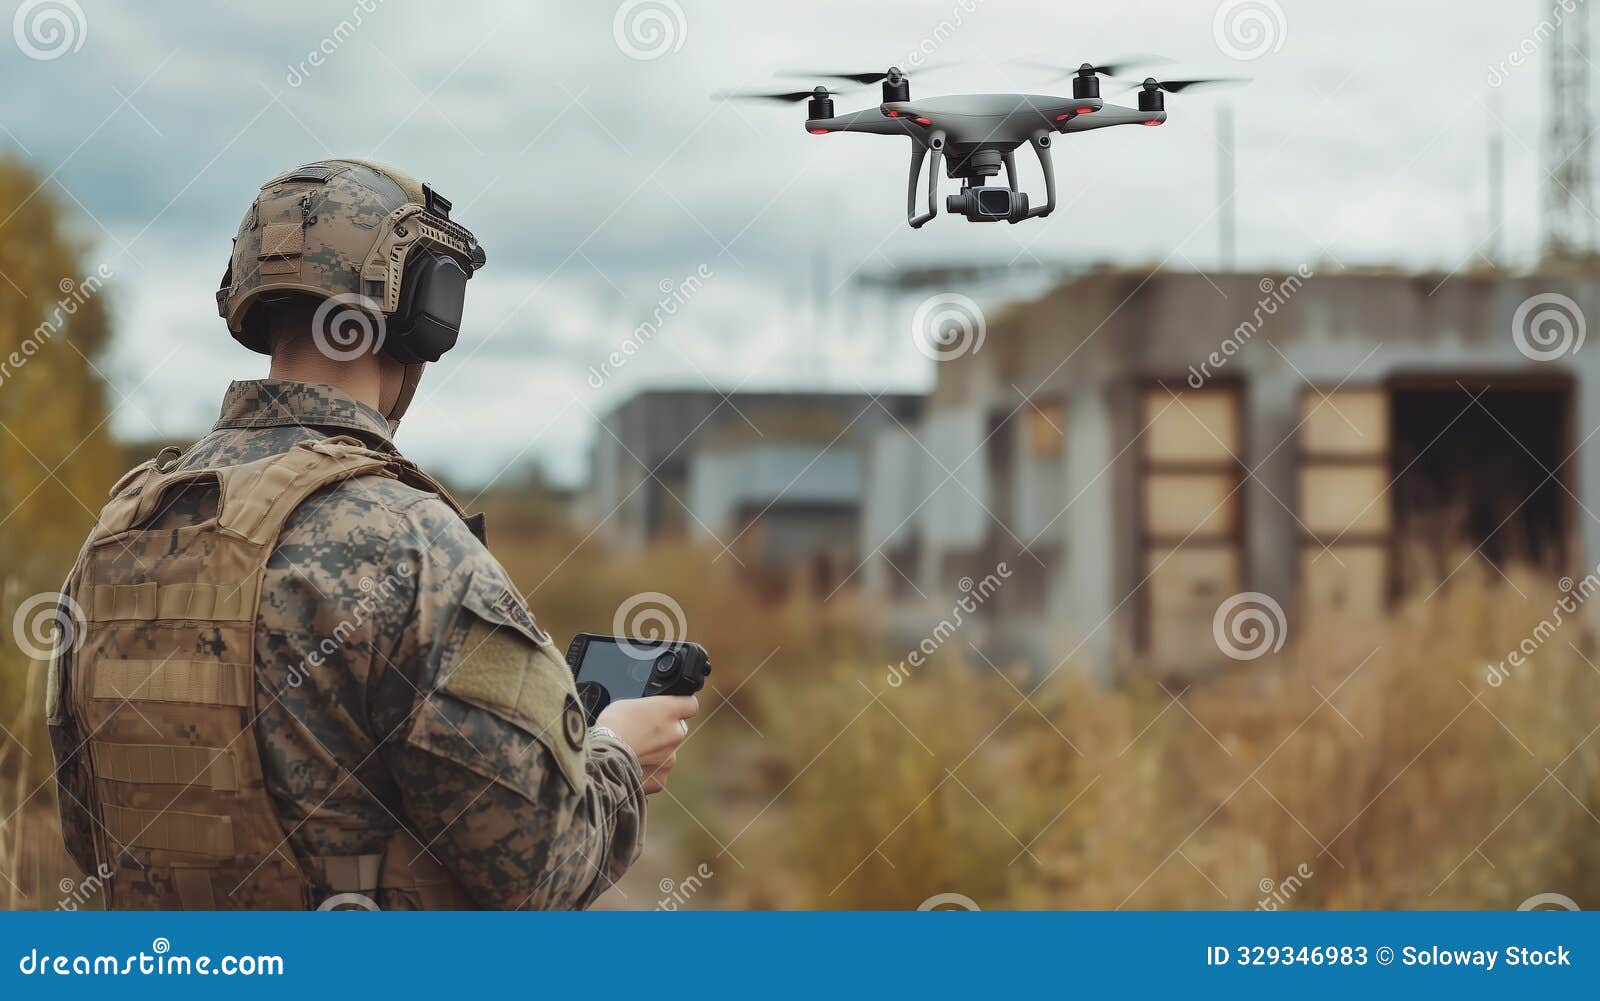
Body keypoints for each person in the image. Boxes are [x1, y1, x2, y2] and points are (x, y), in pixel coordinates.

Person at [45, 158, 697, 909]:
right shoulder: (412, 544)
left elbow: (86, 832)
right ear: (421, 306)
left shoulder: (119, 532)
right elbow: (543, 868)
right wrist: (618, 755)